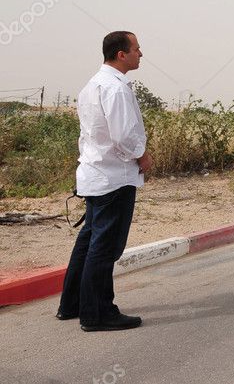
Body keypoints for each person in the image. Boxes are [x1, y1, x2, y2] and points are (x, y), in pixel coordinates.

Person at [57, 31, 153, 331]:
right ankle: (98, 313)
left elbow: (89, 135)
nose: (141, 54)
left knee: (89, 241)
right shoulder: (115, 88)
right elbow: (123, 135)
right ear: (121, 54)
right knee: (105, 247)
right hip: (113, 178)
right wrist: (142, 155)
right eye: (136, 49)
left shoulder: (92, 85)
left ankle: (72, 304)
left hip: (95, 174)